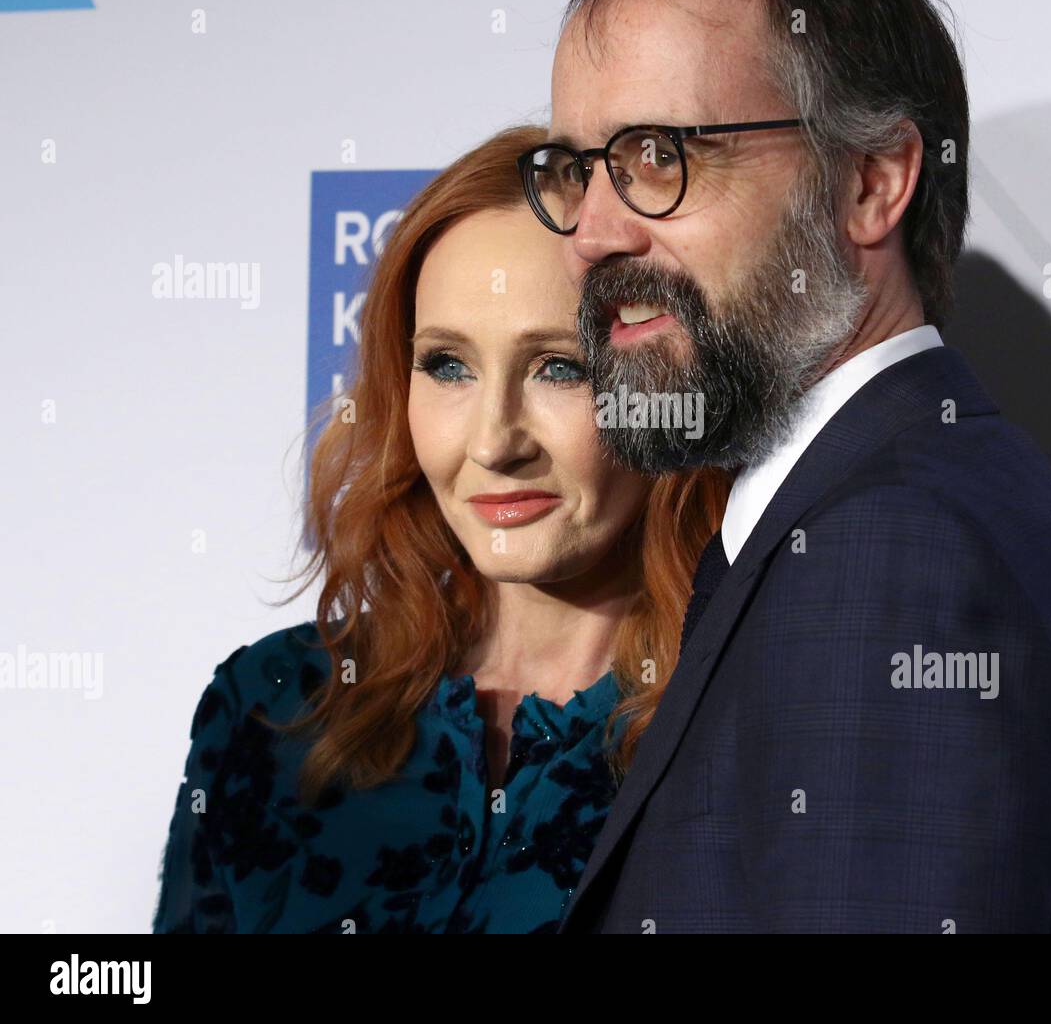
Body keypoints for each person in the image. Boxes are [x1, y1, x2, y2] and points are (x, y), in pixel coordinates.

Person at [518, 0, 1051, 933]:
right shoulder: (928, 503)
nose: (593, 235)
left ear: (871, 182)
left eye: (656, 155)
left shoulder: (893, 555)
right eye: (573, 168)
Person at [150, 125, 728, 933]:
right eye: (448, 365)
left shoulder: (752, 732)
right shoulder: (271, 710)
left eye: (561, 366)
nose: (494, 442)